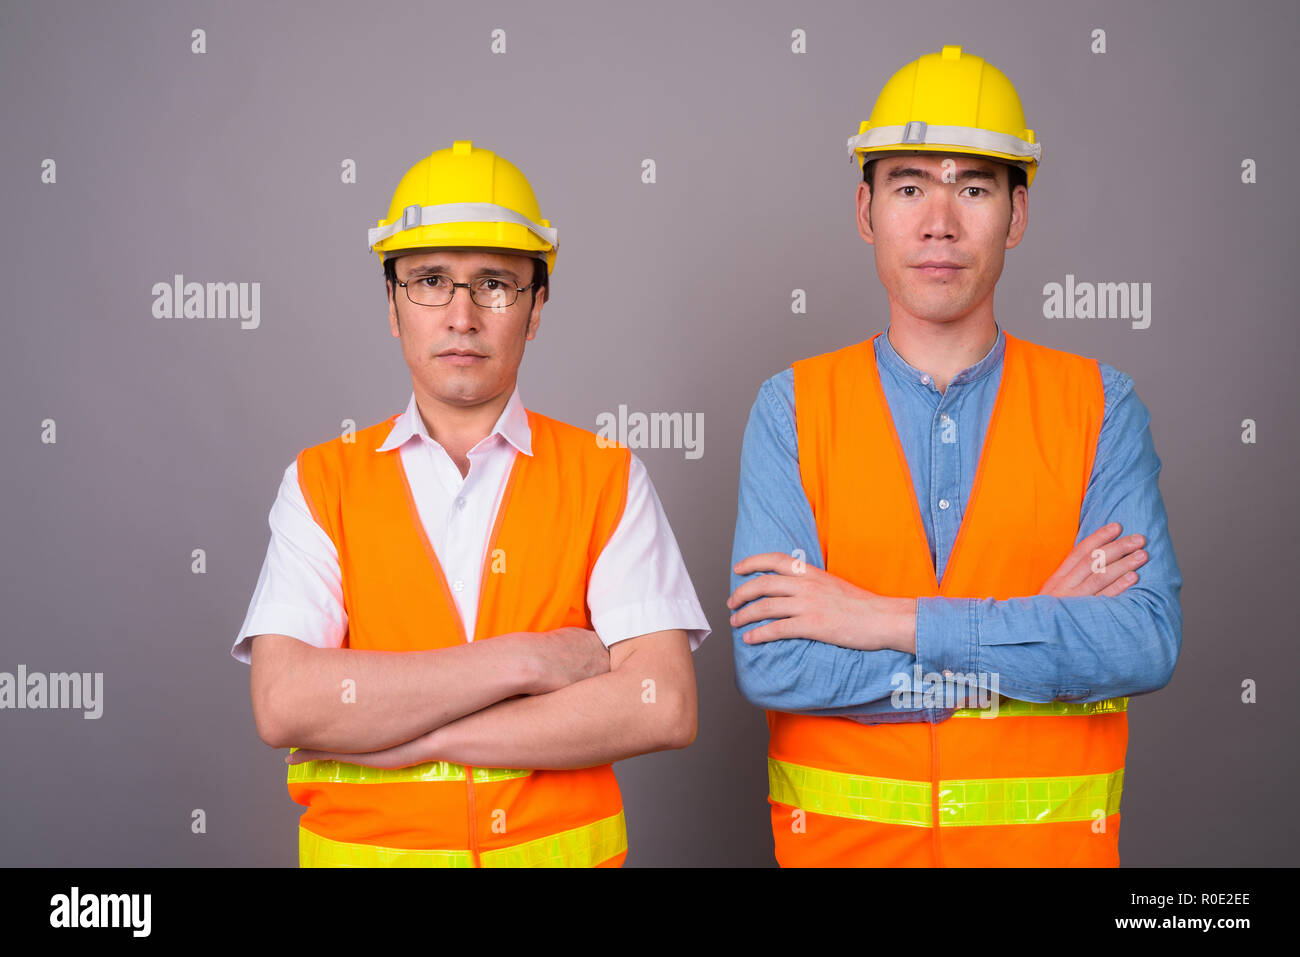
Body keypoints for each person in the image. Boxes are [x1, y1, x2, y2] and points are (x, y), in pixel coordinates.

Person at [727, 46, 1181, 866]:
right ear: (866, 211)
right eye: (910, 187)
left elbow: (1141, 642)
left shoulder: (1100, 406)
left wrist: (881, 619)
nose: (940, 222)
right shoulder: (790, 408)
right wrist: (1028, 638)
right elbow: (777, 665)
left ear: (1017, 214)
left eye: (973, 187)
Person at [232, 140, 709, 867]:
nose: (461, 315)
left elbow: (660, 702)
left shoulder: (605, 474)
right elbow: (287, 702)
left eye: (494, 283)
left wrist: (417, 733)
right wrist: (526, 661)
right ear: (392, 306)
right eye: (429, 280)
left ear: (536, 307)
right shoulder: (321, 482)